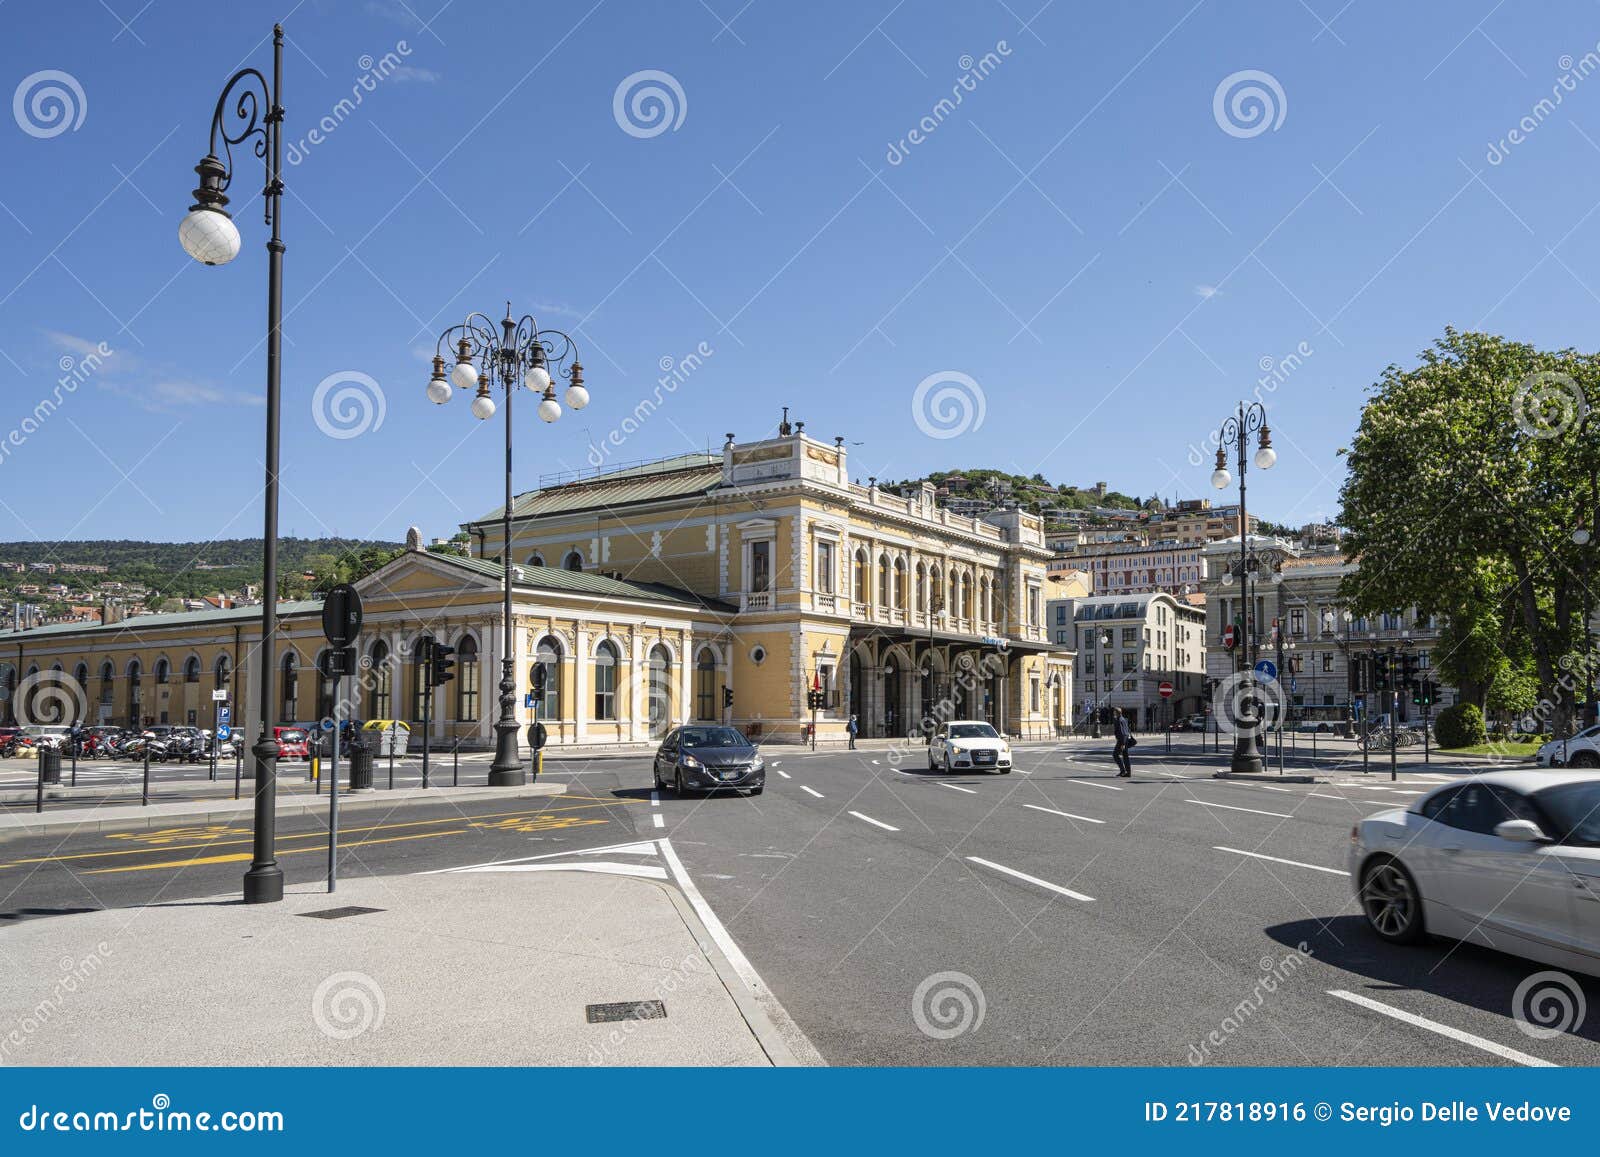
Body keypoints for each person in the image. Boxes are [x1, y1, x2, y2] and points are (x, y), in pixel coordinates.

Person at [1112, 706, 1133, 777]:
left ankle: (1123, 770)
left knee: (1115, 755)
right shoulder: (1123, 719)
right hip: (1125, 739)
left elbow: (1122, 732)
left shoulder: (1119, 720)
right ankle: (1128, 772)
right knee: (1125, 756)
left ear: (1116, 712)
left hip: (1122, 740)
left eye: (1114, 712)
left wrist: (1123, 743)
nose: (1113, 713)